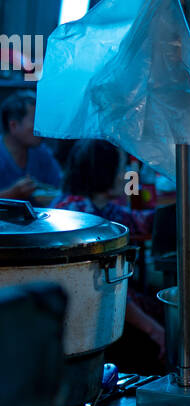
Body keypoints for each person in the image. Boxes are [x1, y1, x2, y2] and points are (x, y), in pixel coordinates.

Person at [56, 139, 165, 368]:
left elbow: (139, 222)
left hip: (106, 304)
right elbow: (103, 289)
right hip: (83, 320)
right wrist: (153, 329)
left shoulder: (100, 206)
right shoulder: (80, 215)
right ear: (105, 173)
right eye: (121, 168)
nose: (126, 175)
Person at [0, 92, 63, 203]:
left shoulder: (41, 153)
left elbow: (60, 188)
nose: (42, 128)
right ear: (13, 125)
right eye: (36, 121)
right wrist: (11, 194)